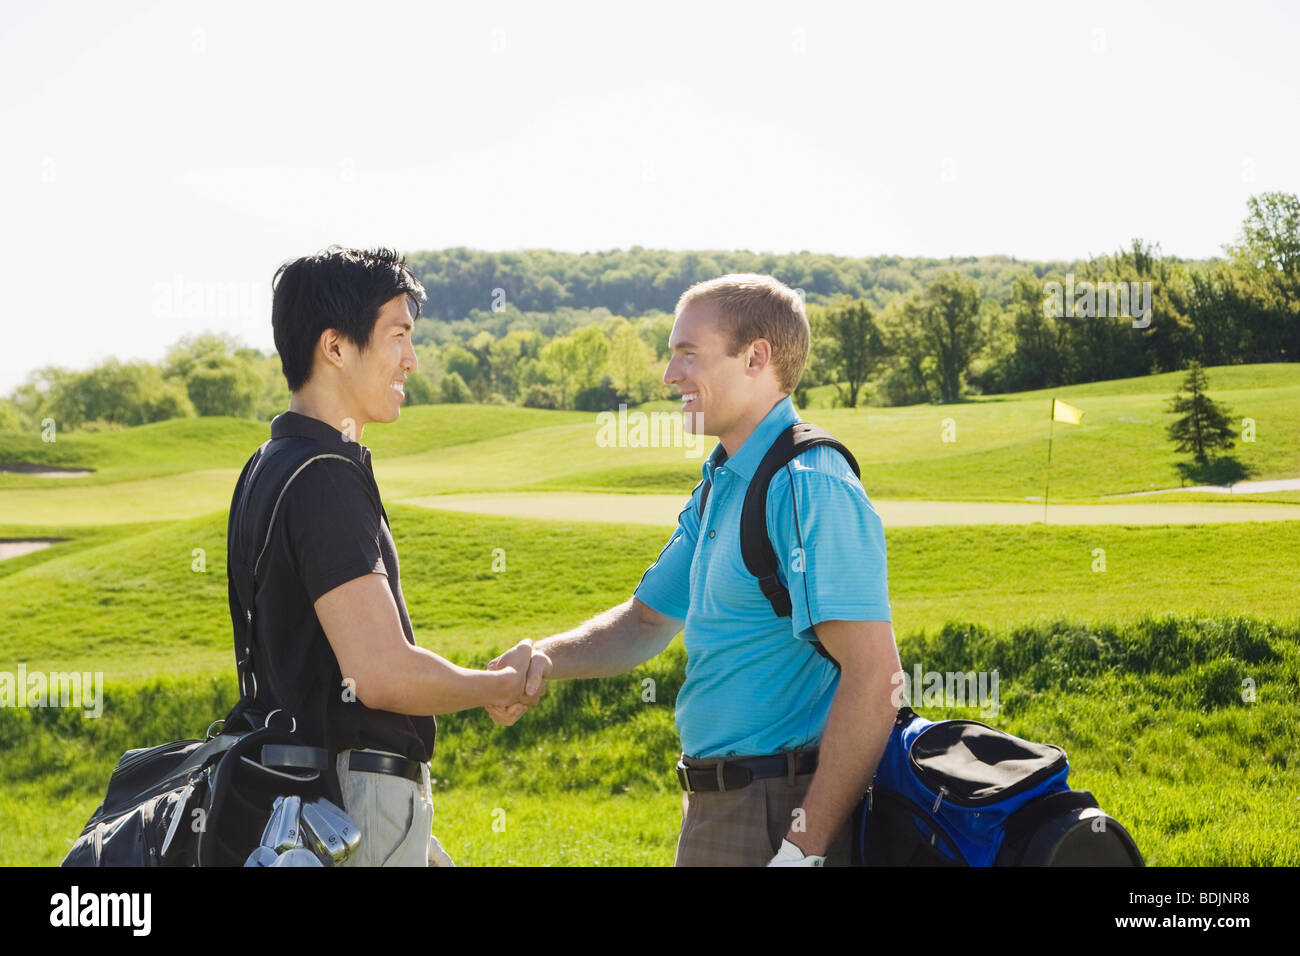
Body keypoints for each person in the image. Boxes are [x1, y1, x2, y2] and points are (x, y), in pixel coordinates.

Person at [489, 273, 902, 866]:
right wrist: (544, 659)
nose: (669, 375)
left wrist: (803, 850)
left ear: (756, 357)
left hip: (780, 810)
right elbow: (643, 622)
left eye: (688, 353)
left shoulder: (808, 484)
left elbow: (875, 678)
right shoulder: (723, 483)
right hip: (720, 807)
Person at [228, 246, 542, 867]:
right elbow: (379, 674)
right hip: (350, 805)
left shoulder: (268, 465)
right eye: (398, 335)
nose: (412, 359)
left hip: (311, 799)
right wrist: (499, 685)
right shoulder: (324, 478)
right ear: (336, 347)